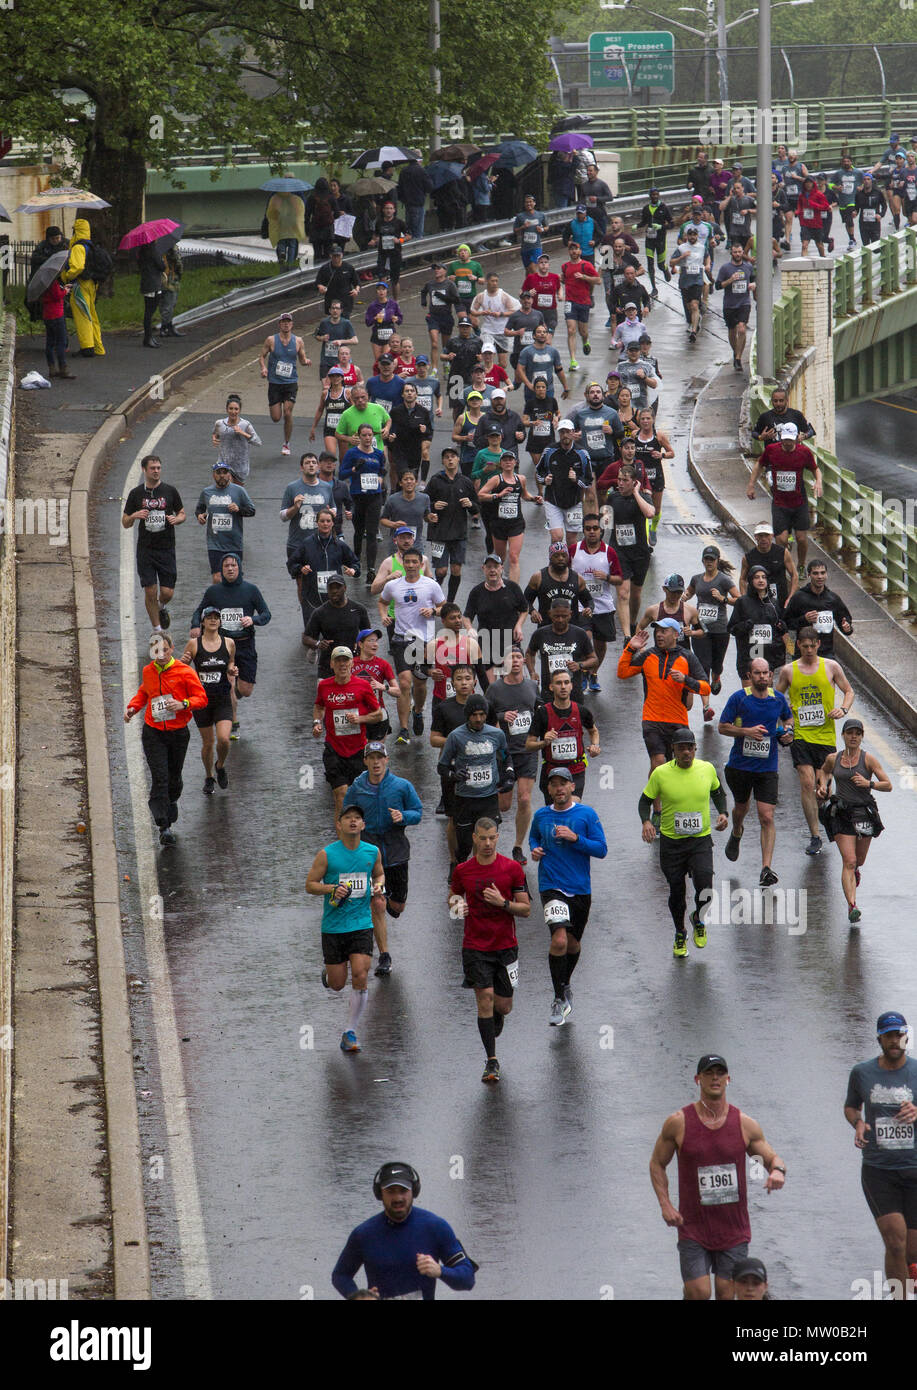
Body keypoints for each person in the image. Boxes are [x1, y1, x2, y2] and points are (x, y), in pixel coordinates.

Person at [649, 1054, 787, 1299]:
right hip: (692, 1227)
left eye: (720, 1073)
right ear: (698, 1079)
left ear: (728, 1079)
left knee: (726, 1294)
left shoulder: (744, 1124)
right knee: (699, 1292)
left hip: (733, 1230)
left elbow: (772, 1158)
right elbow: (657, 1163)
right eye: (709, 1073)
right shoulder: (678, 1123)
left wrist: (777, 1172)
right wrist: (665, 1205)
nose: (715, 1078)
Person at [450, 817, 529, 1083]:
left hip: (506, 946)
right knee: (484, 998)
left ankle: (495, 1016)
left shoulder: (512, 869)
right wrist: (457, 908)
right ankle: (491, 1061)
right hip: (475, 946)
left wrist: (502, 903)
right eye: (482, 838)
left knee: (503, 1007)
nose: (487, 843)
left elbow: (526, 909)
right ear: (474, 837)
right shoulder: (462, 870)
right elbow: (453, 899)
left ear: (497, 838)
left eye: (491, 838)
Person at [844, 1012, 917, 1299]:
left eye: (899, 1035)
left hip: (914, 1168)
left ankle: (908, 1287)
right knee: (895, 1242)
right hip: (878, 1169)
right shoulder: (862, 1072)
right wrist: (858, 1122)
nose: (894, 1041)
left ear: (905, 1037)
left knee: (912, 1250)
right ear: (879, 1039)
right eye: (889, 1036)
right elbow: (851, 1106)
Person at [639, 727, 727, 956]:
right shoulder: (661, 773)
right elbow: (644, 801)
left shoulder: (706, 769)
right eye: (681, 748)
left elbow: (718, 792)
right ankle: (680, 932)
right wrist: (646, 822)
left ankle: (698, 917)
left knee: (706, 887)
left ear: (695, 749)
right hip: (672, 843)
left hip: (700, 841)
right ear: (673, 750)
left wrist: (723, 813)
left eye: (690, 747)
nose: (686, 752)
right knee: (677, 892)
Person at [529, 767, 607, 1026]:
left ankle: (565, 984)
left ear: (573, 787)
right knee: (559, 940)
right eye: (554, 784)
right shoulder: (541, 815)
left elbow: (601, 849)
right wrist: (535, 850)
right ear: (548, 790)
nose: (559, 788)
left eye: (564, 783)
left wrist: (576, 839)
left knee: (572, 944)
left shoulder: (586, 814)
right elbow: (533, 838)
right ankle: (558, 997)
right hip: (551, 885)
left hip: (580, 888)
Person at [331, 1162, 476, 1298]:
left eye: (403, 1190)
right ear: (380, 1194)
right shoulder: (364, 1234)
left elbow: (468, 1279)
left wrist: (440, 1271)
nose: (398, 1198)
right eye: (390, 1191)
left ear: (414, 1191)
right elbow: (340, 1275)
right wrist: (359, 1297)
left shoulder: (436, 1227)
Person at [306, 804, 384, 1054]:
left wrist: (379, 886)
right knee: (338, 984)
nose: (353, 822)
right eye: (348, 818)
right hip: (334, 927)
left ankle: (349, 1031)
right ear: (338, 825)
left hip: (361, 924)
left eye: (357, 818)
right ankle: (329, 975)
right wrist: (331, 888)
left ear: (363, 825)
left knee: (361, 973)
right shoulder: (327, 855)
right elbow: (310, 885)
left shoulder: (372, 852)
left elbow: (379, 875)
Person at [775, 625, 855, 855]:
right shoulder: (789, 671)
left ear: (818, 645)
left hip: (825, 736)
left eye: (813, 645)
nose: (809, 650)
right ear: (798, 645)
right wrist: (785, 716)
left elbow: (849, 691)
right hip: (801, 734)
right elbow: (776, 697)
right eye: (804, 645)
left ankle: (822, 808)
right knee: (807, 784)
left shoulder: (831, 666)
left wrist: (843, 709)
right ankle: (815, 835)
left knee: (823, 790)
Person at [344, 741, 422, 975]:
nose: (376, 762)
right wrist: (353, 828)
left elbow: (418, 812)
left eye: (380, 758)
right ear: (365, 761)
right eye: (372, 758)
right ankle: (384, 956)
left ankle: (389, 900)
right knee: (377, 904)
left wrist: (403, 816)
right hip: (369, 854)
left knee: (396, 907)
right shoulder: (357, 788)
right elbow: (347, 815)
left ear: (387, 760)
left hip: (397, 853)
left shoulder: (401, 786)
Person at [124, 632, 208, 846]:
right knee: (160, 777)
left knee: (174, 778)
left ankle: (172, 801)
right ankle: (164, 827)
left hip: (178, 734)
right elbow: (145, 692)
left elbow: (202, 698)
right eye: (156, 650)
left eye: (164, 650)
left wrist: (184, 704)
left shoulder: (185, 672)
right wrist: (133, 707)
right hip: (153, 733)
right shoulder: (148, 671)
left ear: (172, 649)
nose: (160, 655)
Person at [718, 657, 794, 885]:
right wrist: (746, 731)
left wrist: (788, 731)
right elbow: (722, 727)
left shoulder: (777, 699)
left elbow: (788, 718)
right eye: (757, 673)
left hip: (767, 768)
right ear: (749, 676)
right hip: (740, 766)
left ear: (771, 675)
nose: (762, 677)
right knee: (741, 808)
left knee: (766, 815)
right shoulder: (739, 699)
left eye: (766, 673)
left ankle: (766, 868)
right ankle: (737, 830)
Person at [816, 718, 892, 923]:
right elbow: (823, 770)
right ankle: (852, 905)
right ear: (843, 735)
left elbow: (888, 785)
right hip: (842, 813)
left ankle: (855, 871)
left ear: (862, 737)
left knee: (858, 861)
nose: (853, 737)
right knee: (848, 861)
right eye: (850, 733)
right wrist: (823, 786)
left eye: (857, 734)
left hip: (864, 814)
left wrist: (869, 783)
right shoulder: (834, 758)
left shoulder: (869, 760)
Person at [189, 554, 270, 735]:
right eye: (226, 566)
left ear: (239, 568)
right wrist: (195, 625)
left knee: (245, 690)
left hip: (245, 643)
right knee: (229, 682)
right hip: (223, 645)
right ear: (222, 570)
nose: (230, 569)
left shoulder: (251, 590)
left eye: (233, 565)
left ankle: (231, 695)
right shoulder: (214, 592)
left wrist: (253, 619)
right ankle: (232, 720)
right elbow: (199, 611)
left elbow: (266, 614)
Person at [379, 548, 445, 743]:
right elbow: (382, 602)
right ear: (403, 563)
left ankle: (417, 711)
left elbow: (445, 608)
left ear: (421, 564)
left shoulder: (431, 585)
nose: (410, 565)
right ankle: (404, 730)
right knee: (405, 682)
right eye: (407, 562)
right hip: (401, 638)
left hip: (423, 640)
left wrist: (433, 611)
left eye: (414, 562)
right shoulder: (393, 585)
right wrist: (384, 616)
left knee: (420, 683)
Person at [437, 695, 512, 863]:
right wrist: (453, 775)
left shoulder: (496, 734)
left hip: (489, 798)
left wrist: (509, 776)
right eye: (474, 715)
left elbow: (507, 757)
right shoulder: (455, 736)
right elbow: (442, 767)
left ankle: (483, 879)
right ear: (467, 715)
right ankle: (457, 870)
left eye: (482, 714)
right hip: (465, 799)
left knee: (487, 843)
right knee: (464, 846)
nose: (478, 719)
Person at [485, 647, 541, 863]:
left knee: (525, 799)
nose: (516, 661)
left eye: (519, 657)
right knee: (504, 805)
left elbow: (540, 710)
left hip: (527, 749)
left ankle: (518, 846)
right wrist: (501, 715)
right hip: (503, 752)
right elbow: (484, 717)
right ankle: (487, 838)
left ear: (524, 661)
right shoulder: (495, 689)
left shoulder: (532, 686)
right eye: (511, 657)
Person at [122, 453, 185, 631]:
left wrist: (177, 519)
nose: (156, 471)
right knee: (150, 591)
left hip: (166, 548)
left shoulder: (170, 491)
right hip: (146, 550)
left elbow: (182, 513)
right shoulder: (136, 494)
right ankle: (158, 630)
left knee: (167, 592)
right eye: (152, 468)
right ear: (144, 470)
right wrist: (135, 515)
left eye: (158, 468)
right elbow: (125, 522)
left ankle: (161, 607)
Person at [747, 422, 822, 570]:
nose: (787, 443)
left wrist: (818, 481)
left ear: (796, 438)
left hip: (799, 502)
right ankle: (786, 566)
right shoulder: (771, 450)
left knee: (801, 538)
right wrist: (751, 485)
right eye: (785, 439)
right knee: (781, 539)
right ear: (781, 437)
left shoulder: (804, 452)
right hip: (780, 502)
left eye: (790, 440)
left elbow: (815, 469)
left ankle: (800, 565)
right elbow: (759, 465)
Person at [180, 609, 237, 795]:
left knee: (224, 740)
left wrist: (231, 670)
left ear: (220, 622)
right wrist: (184, 661)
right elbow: (182, 669)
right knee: (208, 742)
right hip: (201, 701)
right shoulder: (194, 644)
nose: (213, 621)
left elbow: (230, 663)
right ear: (202, 622)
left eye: (216, 618)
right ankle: (209, 776)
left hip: (222, 699)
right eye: (209, 618)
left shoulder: (229, 643)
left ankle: (220, 765)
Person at [527, 667, 599, 804]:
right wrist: (544, 742)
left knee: (571, 807)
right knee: (555, 814)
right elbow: (529, 745)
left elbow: (593, 731)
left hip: (575, 770)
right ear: (551, 687)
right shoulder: (543, 713)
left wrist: (595, 746)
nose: (563, 686)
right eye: (559, 683)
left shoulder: (581, 711)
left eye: (566, 682)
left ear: (571, 686)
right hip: (551, 772)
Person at [568, 514, 623, 690]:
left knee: (600, 644)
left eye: (595, 528)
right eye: (588, 528)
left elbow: (619, 579)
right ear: (583, 530)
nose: (591, 532)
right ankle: (583, 672)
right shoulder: (574, 550)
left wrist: (606, 577)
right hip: (580, 606)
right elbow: (562, 572)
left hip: (603, 606)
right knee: (585, 638)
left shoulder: (609, 552)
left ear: (601, 531)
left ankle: (593, 673)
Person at [601, 466, 655, 637]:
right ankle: (626, 636)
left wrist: (637, 493)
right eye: (619, 479)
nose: (621, 483)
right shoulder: (613, 498)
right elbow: (604, 524)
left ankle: (632, 623)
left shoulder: (643, 497)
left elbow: (650, 513)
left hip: (640, 552)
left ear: (634, 482)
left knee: (635, 594)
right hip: (619, 552)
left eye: (625, 480)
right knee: (623, 594)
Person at [288, 506, 359, 636]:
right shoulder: (307, 544)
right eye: (322, 521)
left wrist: (354, 570)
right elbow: (292, 563)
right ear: (317, 523)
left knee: (334, 636)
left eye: (328, 521)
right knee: (311, 637)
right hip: (311, 598)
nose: (325, 524)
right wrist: (300, 569)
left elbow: (355, 563)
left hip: (335, 598)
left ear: (332, 523)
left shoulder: (340, 545)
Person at [477, 450, 543, 583]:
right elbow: (481, 495)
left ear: (515, 462)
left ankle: (514, 589)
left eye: (510, 459)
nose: (508, 462)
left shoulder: (521, 479)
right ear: (501, 463)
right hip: (499, 523)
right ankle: (499, 585)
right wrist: (498, 495)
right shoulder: (496, 479)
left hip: (516, 523)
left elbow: (524, 495)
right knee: (500, 558)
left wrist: (533, 499)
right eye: (505, 460)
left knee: (513, 557)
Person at [463, 554, 527, 685]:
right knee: (490, 689)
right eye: (489, 567)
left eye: (496, 567)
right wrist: (469, 629)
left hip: (509, 642)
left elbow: (524, 609)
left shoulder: (512, 588)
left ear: (501, 568)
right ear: (483, 569)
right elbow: (466, 616)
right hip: (486, 644)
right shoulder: (477, 592)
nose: (492, 570)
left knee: (509, 685)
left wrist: (519, 626)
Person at [425, 446, 477, 601]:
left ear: (458, 459)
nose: (450, 459)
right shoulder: (435, 481)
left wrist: (470, 504)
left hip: (459, 534)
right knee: (440, 571)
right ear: (443, 461)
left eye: (453, 456)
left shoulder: (466, 482)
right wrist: (433, 506)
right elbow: (424, 503)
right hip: (438, 533)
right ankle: (435, 598)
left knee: (456, 569)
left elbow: (476, 506)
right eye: (446, 457)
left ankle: (450, 602)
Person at [339, 422, 387, 583]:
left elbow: (381, 470)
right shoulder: (352, 453)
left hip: (374, 496)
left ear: (373, 436)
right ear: (359, 436)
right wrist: (354, 470)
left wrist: (381, 477)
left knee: (372, 533)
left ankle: (372, 569)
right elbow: (341, 474)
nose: (367, 438)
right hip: (357, 496)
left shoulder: (379, 454)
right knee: (359, 532)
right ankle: (357, 562)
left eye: (369, 435)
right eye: (364, 435)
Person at [526, 596, 596, 704]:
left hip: (573, 692)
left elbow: (594, 659)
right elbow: (530, 653)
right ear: (550, 614)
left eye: (564, 616)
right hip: (549, 692)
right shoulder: (540, 634)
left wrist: (580, 665)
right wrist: (532, 672)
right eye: (556, 616)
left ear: (570, 615)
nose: (560, 620)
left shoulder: (579, 634)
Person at [259, 313, 311, 457]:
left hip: (290, 383)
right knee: (276, 417)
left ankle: (286, 443)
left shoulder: (298, 341)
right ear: (279, 324)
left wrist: (306, 361)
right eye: (283, 322)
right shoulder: (271, 340)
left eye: (288, 322)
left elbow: (302, 359)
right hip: (275, 383)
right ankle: (284, 436)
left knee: (288, 413)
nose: (286, 324)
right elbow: (262, 356)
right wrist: (263, 368)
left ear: (292, 324)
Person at [535, 421, 594, 546]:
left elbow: (588, 480)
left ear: (573, 433)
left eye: (568, 432)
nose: (565, 435)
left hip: (574, 503)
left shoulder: (582, 453)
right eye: (562, 432)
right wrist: (545, 480)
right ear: (558, 434)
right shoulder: (549, 451)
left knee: (572, 541)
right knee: (557, 537)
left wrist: (576, 479)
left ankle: (570, 565)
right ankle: (554, 563)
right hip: (553, 501)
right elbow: (539, 471)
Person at [195, 462, 256, 582]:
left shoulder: (239, 491)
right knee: (217, 578)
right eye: (218, 473)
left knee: (234, 578)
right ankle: (218, 600)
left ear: (229, 475)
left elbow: (252, 510)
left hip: (234, 543)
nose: (222, 475)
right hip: (214, 543)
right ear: (213, 475)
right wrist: (200, 516)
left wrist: (239, 509)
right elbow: (199, 509)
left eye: (225, 472)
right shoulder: (207, 492)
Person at [782, 559, 854, 660]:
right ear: (809, 575)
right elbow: (785, 623)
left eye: (822, 573)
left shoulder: (833, 598)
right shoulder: (799, 597)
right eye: (815, 573)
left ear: (827, 575)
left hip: (827, 654)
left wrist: (847, 628)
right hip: (803, 655)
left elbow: (845, 622)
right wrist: (804, 619)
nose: (820, 577)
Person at [726, 564, 787, 680]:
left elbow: (782, 628)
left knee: (766, 695)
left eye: (763, 577)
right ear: (750, 581)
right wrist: (745, 626)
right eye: (757, 577)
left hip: (768, 657)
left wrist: (782, 627)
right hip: (748, 657)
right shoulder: (742, 602)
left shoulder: (773, 603)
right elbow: (731, 628)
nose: (761, 580)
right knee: (749, 695)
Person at [304, 577, 370, 678]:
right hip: (328, 666)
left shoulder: (358, 609)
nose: (334, 591)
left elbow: (367, 634)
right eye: (331, 588)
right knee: (326, 694)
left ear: (345, 588)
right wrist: (318, 644)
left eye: (338, 587)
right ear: (327, 590)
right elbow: (306, 638)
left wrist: (361, 646)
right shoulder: (320, 613)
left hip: (353, 665)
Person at [60, 217, 105, 356]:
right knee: (92, 315)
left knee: (82, 315)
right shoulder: (90, 246)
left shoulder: (78, 247)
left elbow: (78, 267)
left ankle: (87, 348)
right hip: (91, 284)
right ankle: (98, 347)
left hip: (80, 285)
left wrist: (67, 275)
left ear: (76, 231)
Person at [740, 521, 798, 615]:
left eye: (766, 535)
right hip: (757, 603)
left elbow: (794, 575)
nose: (763, 539)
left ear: (772, 536)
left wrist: (791, 597)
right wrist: (744, 599)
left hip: (780, 601)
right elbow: (742, 579)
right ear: (755, 537)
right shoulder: (748, 557)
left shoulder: (783, 553)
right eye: (760, 535)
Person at [715, 244, 756, 373]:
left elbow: (754, 280)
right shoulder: (725, 268)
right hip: (729, 304)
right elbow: (717, 286)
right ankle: (736, 352)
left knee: (742, 329)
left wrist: (754, 285)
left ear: (742, 252)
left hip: (744, 303)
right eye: (735, 252)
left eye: (739, 252)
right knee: (732, 331)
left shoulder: (748, 267)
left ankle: (738, 358)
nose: (737, 254)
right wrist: (730, 280)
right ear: (731, 253)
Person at [561, 241, 601, 369]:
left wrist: (584, 277)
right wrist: (560, 280)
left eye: (576, 249)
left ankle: (585, 341)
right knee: (571, 330)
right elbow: (565, 279)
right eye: (571, 249)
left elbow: (598, 280)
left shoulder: (586, 265)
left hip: (583, 302)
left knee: (582, 331)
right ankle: (573, 360)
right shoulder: (565, 266)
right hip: (570, 302)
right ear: (569, 252)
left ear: (580, 251)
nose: (574, 251)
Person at [669, 226, 712, 342]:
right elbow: (671, 262)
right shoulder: (681, 248)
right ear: (687, 236)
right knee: (689, 307)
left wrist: (707, 265)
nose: (692, 237)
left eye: (694, 235)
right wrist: (682, 257)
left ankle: (693, 331)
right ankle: (695, 320)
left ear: (697, 236)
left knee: (694, 305)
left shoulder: (702, 247)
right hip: (685, 280)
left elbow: (707, 257)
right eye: (690, 235)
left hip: (697, 279)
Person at [420, 263, 461, 375]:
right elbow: (423, 292)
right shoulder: (430, 284)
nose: (436, 271)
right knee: (434, 343)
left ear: (444, 271)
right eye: (435, 269)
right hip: (433, 317)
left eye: (439, 268)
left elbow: (457, 300)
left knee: (446, 345)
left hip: (446, 317)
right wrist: (423, 301)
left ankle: (446, 364)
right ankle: (434, 369)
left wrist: (443, 297)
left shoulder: (450, 284)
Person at [386, 391, 433, 488]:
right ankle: (396, 495)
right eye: (407, 391)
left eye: (412, 391)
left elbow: (429, 431)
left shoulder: (423, 411)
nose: (409, 393)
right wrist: (391, 437)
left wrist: (424, 430)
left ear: (416, 395)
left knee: (411, 478)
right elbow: (389, 429)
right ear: (402, 394)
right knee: (403, 475)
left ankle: (416, 491)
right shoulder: (395, 411)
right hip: (400, 449)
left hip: (415, 450)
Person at [212, 393, 261, 484]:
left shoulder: (245, 424)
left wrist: (243, 433)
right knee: (226, 488)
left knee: (236, 494)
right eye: (231, 408)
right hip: (223, 464)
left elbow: (258, 442)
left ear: (239, 410)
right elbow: (215, 433)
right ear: (227, 409)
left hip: (240, 467)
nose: (233, 412)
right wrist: (214, 438)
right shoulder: (219, 423)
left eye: (236, 409)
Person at [516, 323, 568, 408]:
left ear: (547, 335)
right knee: (533, 416)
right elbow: (520, 369)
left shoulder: (553, 351)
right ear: (534, 336)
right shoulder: (526, 351)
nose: (542, 334)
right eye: (539, 332)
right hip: (531, 390)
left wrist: (565, 387)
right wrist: (529, 384)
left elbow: (559, 370)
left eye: (544, 332)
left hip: (548, 389)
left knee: (548, 414)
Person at [636, 189, 674, 295]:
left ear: (659, 195)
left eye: (657, 194)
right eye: (653, 195)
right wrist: (637, 226)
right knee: (650, 263)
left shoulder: (664, 207)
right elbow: (644, 222)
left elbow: (672, 224)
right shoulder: (646, 208)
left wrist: (662, 226)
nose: (655, 196)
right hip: (649, 239)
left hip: (660, 239)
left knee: (660, 265)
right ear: (650, 196)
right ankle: (654, 288)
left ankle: (665, 269)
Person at [750, 386, 815, 445]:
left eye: (781, 401)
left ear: (787, 401)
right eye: (775, 401)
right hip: (773, 455)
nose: (778, 404)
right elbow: (754, 432)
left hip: (792, 454)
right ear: (772, 401)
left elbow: (810, 431)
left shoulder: (796, 415)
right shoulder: (765, 417)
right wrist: (761, 437)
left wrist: (803, 437)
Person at [39, 271, 73, 378]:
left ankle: (52, 368)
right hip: (57, 314)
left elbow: (52, 294)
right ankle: (63, 368)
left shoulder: (44, 283)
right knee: (61, 342)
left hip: (47, 315)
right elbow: (57, 295)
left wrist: (62, 288)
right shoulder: (53, 283)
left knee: (50, 342)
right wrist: (65, 291)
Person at [313, 298, 358, 378]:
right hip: (326, 361)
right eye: (333, 308)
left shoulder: (346, 323)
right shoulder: (324, 322)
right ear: (329, 310)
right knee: (326, 388)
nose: (335, 311)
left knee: (341, 387)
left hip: (341, 362)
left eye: (337, 308)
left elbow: (355, 340)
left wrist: (341, 341)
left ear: (341, 310)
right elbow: (316, 336)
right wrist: (322, 338)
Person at [522, 253, 562, 339]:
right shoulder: (531, 278)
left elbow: (559, 288)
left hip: (551, 312)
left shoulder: (554, 277)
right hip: (536, 312)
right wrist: (528, 293)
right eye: (541, 262)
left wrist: (560, 294)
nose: (544, 264)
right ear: (537, 265)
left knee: (548, 338)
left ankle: (547, 351)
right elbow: (521, 292)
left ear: (549, 264)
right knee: (537, 338)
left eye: (546, 262)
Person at [364, 282, 403, 363]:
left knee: (386, 359)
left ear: (386, 291)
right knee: (378, 361)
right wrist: (375, 318)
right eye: (379, 289)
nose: (381, 292)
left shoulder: (393, 304)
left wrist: (396, 319)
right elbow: (368, 322)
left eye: (383, 289)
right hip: (377, 333)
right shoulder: (373, 306)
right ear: (376, 292)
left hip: (389, 332)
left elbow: (400, 319)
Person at [315, 246, 360, 317]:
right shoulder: (325, 268)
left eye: (338, 256)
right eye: (334, 256)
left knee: (344, 323)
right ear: (330, 255)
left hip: (345, 301)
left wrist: (356, 290)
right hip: (331, 301)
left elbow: (357, 282)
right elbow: (318, 281)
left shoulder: (348, 267)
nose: (336, 258)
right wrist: (320, 287)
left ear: (342, 255)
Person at [266, 187, 307, 265]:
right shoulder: (296, 199)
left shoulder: (277, 198)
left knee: (281, 241)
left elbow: (271, 213)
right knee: (292, 245)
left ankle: (282, 252)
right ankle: (290, 263)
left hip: (281, 224)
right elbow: (302, 210)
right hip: (292, 225)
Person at [396, 157, 433, 241]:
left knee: (409, 232)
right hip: (418, 203)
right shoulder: (421, 171)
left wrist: (404, 200)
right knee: (418, 232)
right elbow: (430, 187)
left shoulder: (403, 171)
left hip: (407, 205)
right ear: (419, 159)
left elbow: (399, 190)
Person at [513, 194, 549, 271]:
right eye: (526, 202)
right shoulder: (520, 216)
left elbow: (547, 227)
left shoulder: (540, 215)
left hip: (536, 247)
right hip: (525, 248)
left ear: (534, 203)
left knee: (532, 268)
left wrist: (542, 229)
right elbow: (515, 231)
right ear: (524, 204)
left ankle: (537, 282)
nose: (528, 204)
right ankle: (529, 283)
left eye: (530, 202)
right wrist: (522, 227)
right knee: (528, 271)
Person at [447, 244, 485, 313]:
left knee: (473, 321)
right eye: (460, 251)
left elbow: (482, 281)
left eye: (465, 251)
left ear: (469, 253)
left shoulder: (476, 265)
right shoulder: (453, 265)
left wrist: (476, 278)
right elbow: (445, 280)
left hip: (471, 297)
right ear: (458, 254)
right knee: (463, 318)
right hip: (458, 297)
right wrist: (449, 278)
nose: (462, 252)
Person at [158, 246, 184, 338]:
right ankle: (164, 328)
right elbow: (178, 263)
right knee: (170, 304)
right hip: (170, 280)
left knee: (162, 305)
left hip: (158, 280)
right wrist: (179, 274)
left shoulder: (154, 247)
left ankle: (167, 327)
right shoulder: (171, 247)